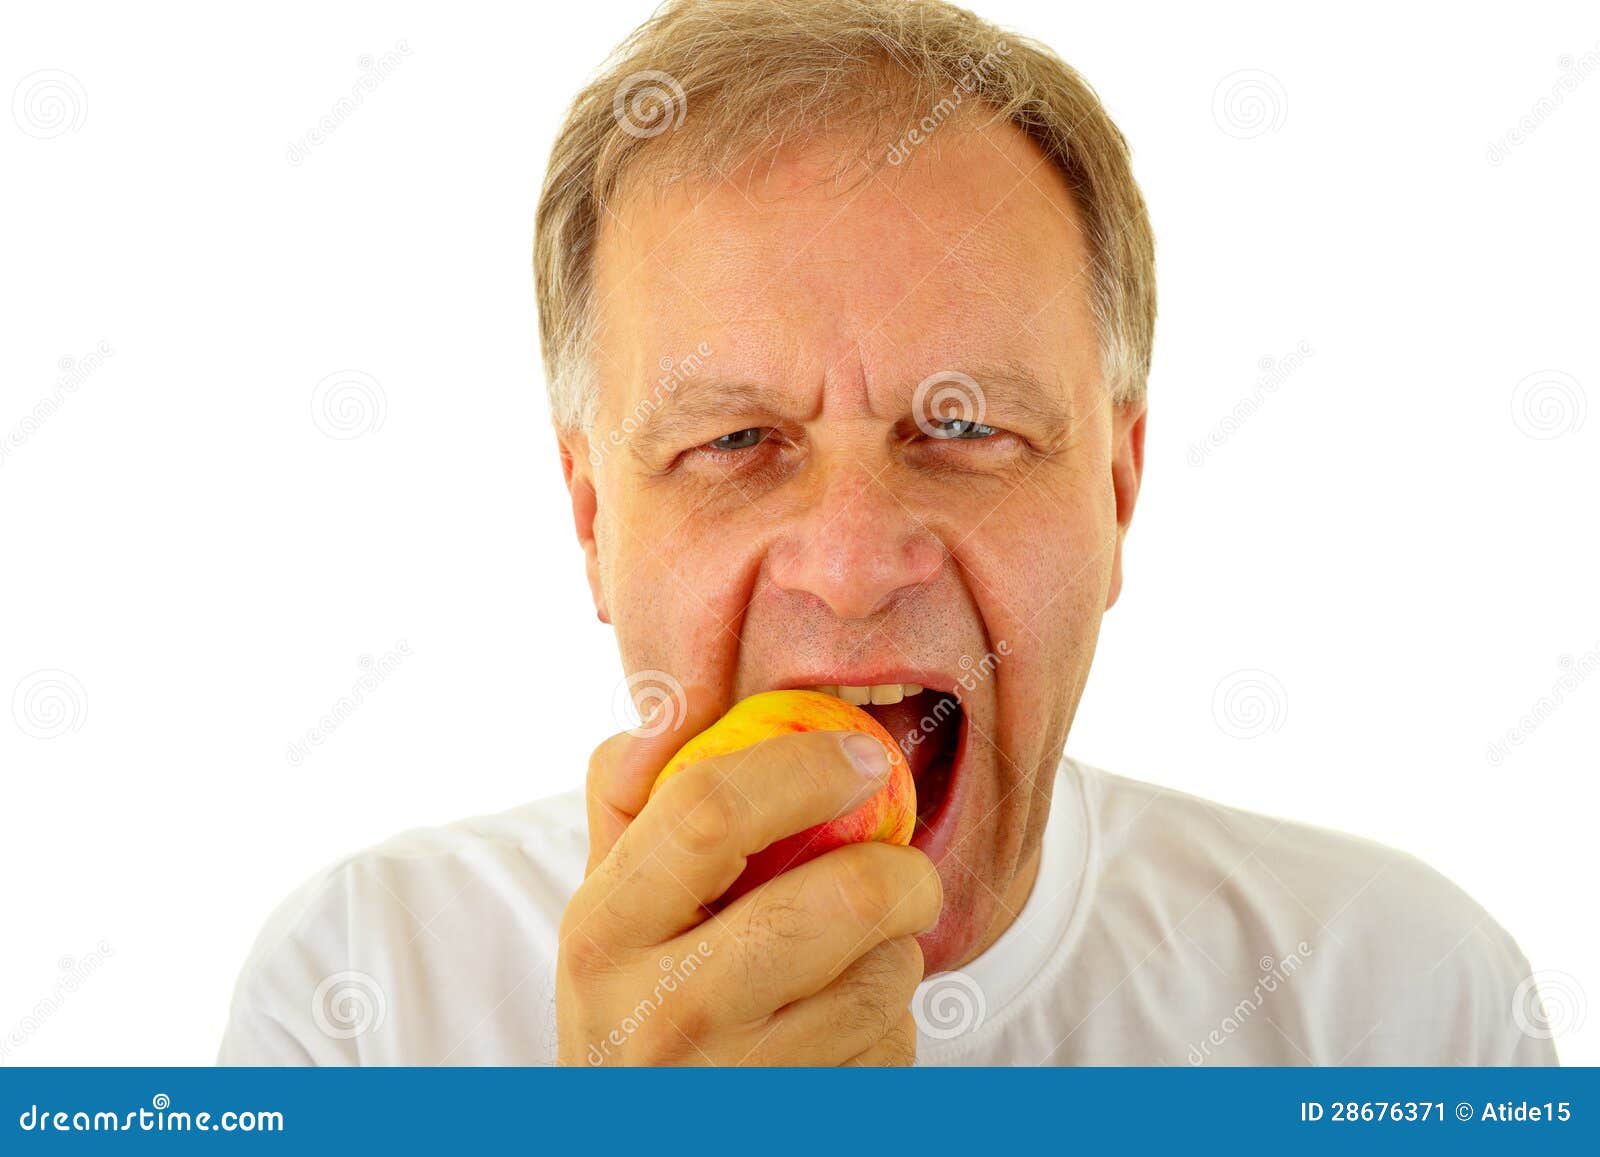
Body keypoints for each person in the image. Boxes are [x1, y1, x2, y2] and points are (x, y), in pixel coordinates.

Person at [219, 0, 1556, 1066]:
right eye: (733, 445)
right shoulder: (360, 1005)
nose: (854, 567)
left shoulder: (1411, 1000)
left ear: (1118, 490)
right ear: (589, 523)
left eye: (966, 430)